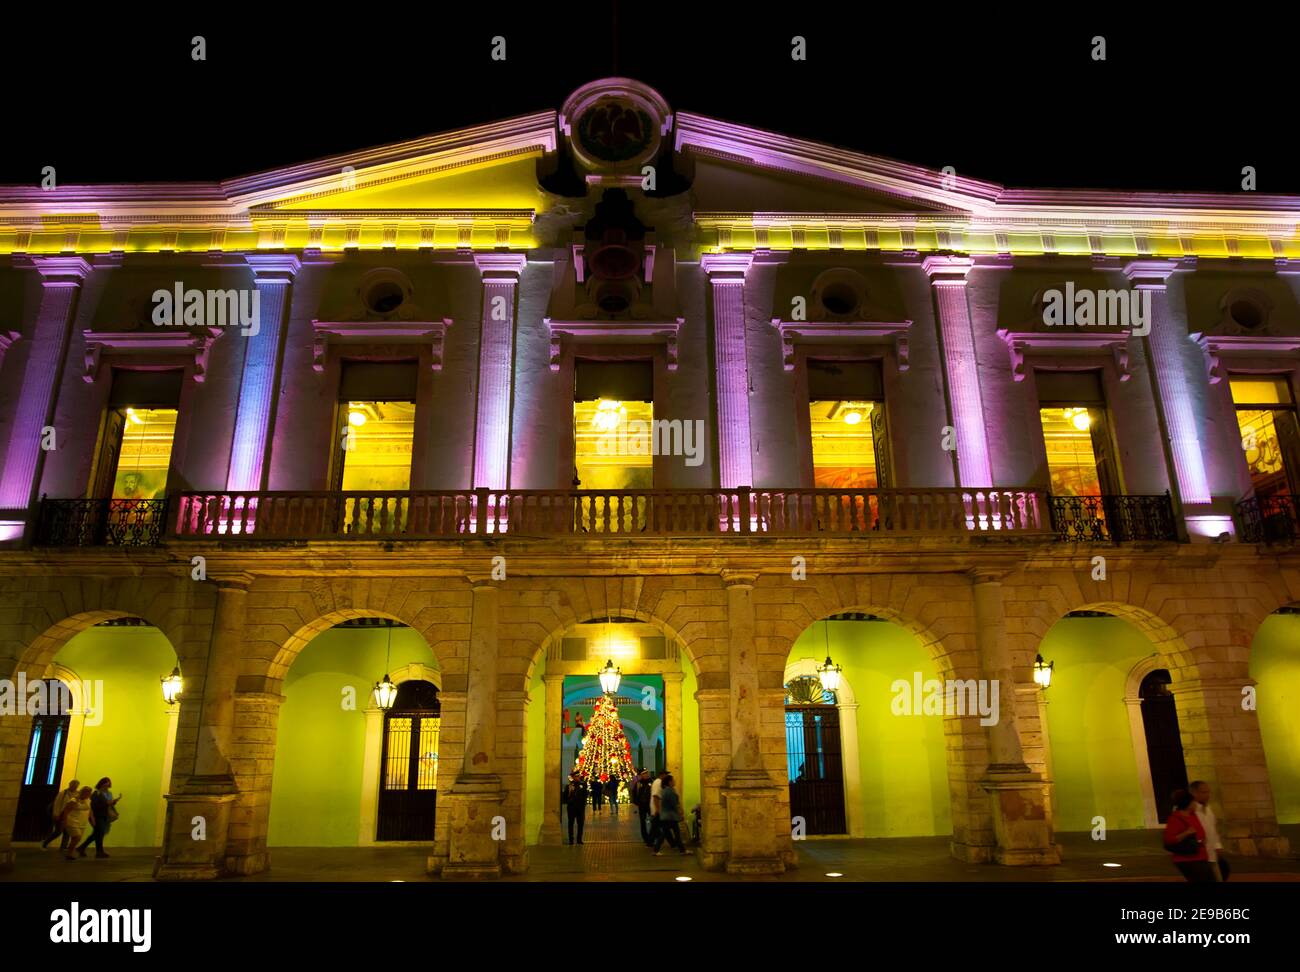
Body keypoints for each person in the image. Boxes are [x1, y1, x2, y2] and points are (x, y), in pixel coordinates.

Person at [1164, 788, 1216, 882]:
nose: (1195, 803)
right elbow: (1169, 840)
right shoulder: (1175, 818)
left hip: (1200, 855)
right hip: (1187, 859)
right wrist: (1186, 833)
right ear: (1188, 803)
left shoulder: (1193, 815)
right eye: (1194, 801)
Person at [1191, 780, 1230, 881]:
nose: (1207, 795)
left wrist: (1217, 846)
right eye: (1204, 792)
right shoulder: (1191, 811)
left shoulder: (1208, 809)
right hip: (1199, 855)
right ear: (1194, 793)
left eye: (1208, 792)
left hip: (1211, 854)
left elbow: (1212, 829)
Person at [77, 777, 120, 859]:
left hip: (105, 815)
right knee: (99, 833)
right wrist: (107, 803)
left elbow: (107, 804)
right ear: (101, 785)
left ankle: (84, 848)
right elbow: (94, 806)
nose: (106, 787)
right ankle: (97, 851)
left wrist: (112, 803)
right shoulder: (96, 793)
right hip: (98, 815)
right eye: (105, 785)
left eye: (108, 785)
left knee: (98, 834)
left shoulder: (108, 793)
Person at [653, 774, 687, 855]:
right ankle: (682, 850)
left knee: (668, 833)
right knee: (674, 834)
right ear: (669, 782)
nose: (674, 781)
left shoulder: (664, 791)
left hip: (666, 816)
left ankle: (682, 850)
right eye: (673, 780)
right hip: (670, 816)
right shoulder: (670, 791)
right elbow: (673, 804)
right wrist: (680, 812)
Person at [42, 778, 80, 851]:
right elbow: (57, 803)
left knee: (67, 832)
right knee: (58, 831)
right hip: (60, 814)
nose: (74, 786)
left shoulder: (77, 794)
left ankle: (63, 847)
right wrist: (56, 814)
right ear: (70, 784)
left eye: (76, 785)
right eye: (73, 785)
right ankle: (45, 843)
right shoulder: (63, 793)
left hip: (69, 815)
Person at [60, 786, 94, 862]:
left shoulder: (88, 800)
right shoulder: (74, 800)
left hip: (82, 822)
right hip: (72, 821)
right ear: (83, 792)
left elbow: (90, 810)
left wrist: (92, 820)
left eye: (89, 793)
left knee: (76, 839)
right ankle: (69, 853)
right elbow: (66, 811)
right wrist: (64, 821)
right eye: (88, 792)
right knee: (77, 837)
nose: (89, 794)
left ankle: (70, 853)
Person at [564, 773, 589, 845]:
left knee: (580, 824)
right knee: (570, 824)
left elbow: (585, 795)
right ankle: (571, 840)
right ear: (573, 777)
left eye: (578, 776)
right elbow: (565, 797)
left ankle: (579, 839)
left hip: (580, 808)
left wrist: (584, 805)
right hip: (571, 808)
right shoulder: (569, 786)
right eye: (576, 776)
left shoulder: (583, 785)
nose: (578, 777)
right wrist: (569, 797)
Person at [647, 769, 667, 850]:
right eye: (665, 775)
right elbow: (656, 796)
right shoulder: (658, 782)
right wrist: (657, 809)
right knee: (659, 826)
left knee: (656, 826)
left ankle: (651, 841)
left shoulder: (656, 782)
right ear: (662, 775)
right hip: (657, 808)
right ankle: (651, 841)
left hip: (657, 807)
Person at [633, 769, 653, 845]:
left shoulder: (652, 782)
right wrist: (637, 802)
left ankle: (651, 836)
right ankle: (645, 837)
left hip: (650, 804)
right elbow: (634, 793)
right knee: (643, 821)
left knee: (653, 821)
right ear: (641, 775)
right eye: (644, 774)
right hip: (642, 805)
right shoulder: (638, 783)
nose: (646, 775)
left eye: (647, 773)